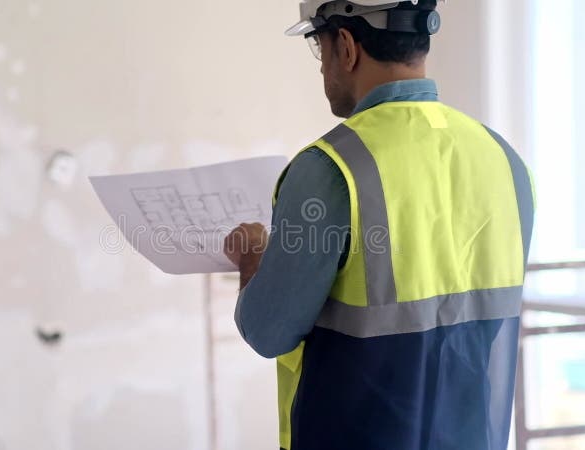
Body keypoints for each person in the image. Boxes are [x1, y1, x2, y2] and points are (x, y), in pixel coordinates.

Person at [223, 0, 535, 449]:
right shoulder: (505, 160)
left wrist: (252, 256)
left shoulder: (328, 169)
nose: (323, 68)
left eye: (319, 47)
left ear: (346, 47)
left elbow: (267, 330)